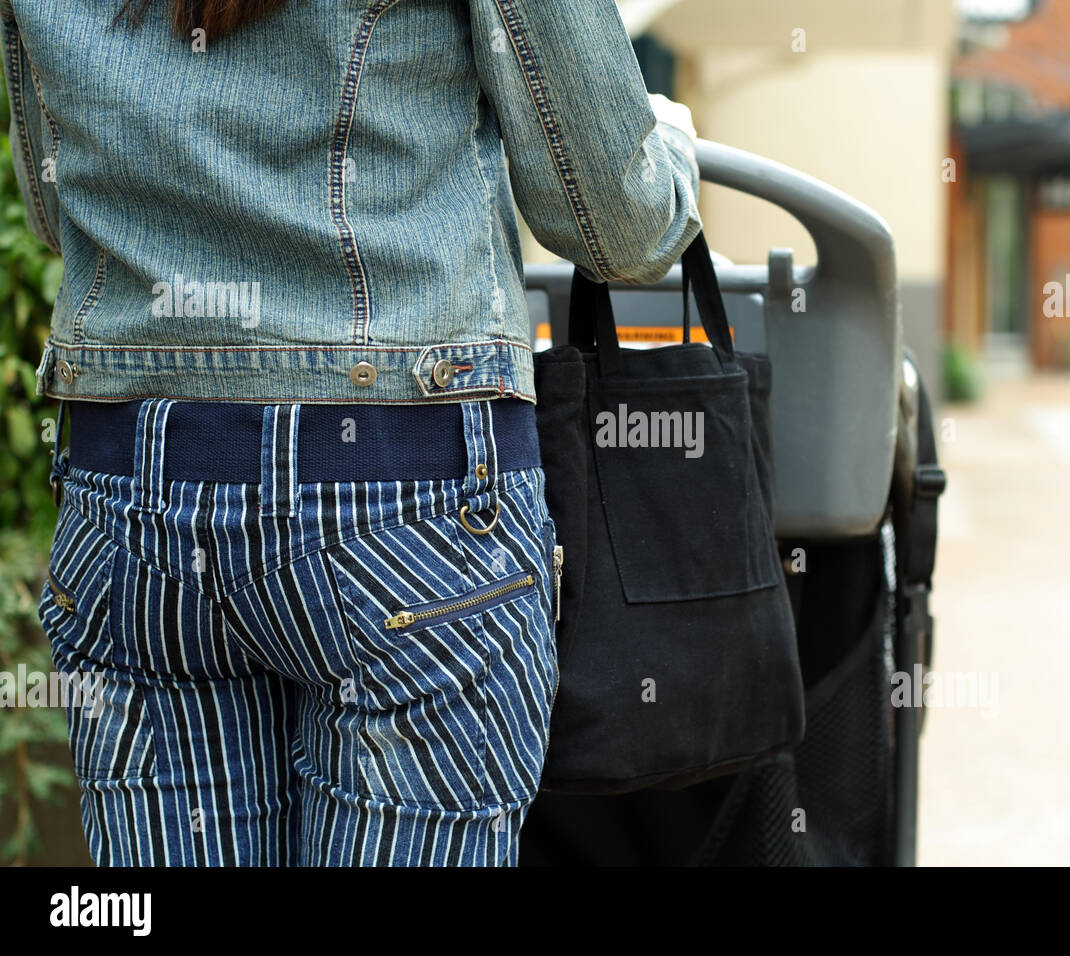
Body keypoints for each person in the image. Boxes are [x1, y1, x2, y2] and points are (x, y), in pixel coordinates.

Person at [1, 0, 700, 866]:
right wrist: (666, 137)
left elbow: (52, 202)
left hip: (134, 505)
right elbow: (618, 225)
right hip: (411, 507)